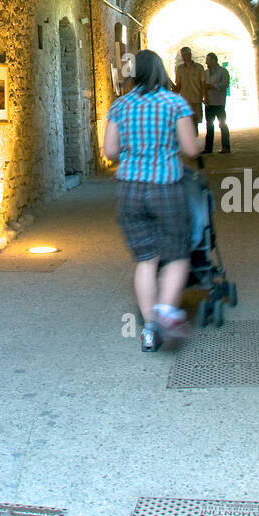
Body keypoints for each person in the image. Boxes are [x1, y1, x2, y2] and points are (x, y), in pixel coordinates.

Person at [103, 48, 203, 351]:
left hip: (129, 190)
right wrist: (194, 143)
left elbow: (109, 152)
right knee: (177, 254)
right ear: (160, 71)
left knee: (146, 260)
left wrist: (135, 150)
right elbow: (190, 149)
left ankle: (149, 330)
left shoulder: (120, 106)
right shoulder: (174, 103)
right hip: (165, 187)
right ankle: (165, 312)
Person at [203, 52, 231, 153]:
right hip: (209, 103)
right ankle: (208, 148)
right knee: (209, 126)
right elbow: (203, 85)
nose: (206, 62)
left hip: (219, 102)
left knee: (222, 124)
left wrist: (212, 86)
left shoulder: (223, 72)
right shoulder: (205, 73)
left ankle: (226, 147)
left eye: (208, 60)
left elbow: (225, 84)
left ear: (214, 60)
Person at [173, 45, 206, 134]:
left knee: (195, 123)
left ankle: (194, 143)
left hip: (196, 99)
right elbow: (178, 85)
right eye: (183, 55)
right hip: (185, 100)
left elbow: (203, 83)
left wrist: (204, 97)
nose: (184, 57)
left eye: (186, 54)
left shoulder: (199, 68)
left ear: (190, 54)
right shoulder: (179, 69)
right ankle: (189, 144)